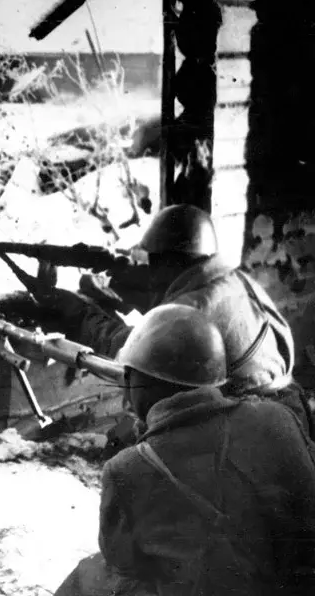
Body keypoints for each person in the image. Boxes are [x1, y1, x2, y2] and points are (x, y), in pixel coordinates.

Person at [55, 304, 315, 596]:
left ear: (143, 383)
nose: (126, 395)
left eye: (129, 378)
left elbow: (122, 561)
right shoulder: (277, 418)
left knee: (88, 577)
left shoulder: (128, 469)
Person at [41, 203, 310, 436]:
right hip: (286, 412)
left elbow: (133, 354)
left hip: (250, 427)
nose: (152, 271)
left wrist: (78, 313)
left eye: (155, 262)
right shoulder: (232, 279)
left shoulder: (193, 308)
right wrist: (120, 278)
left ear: (171, 262)